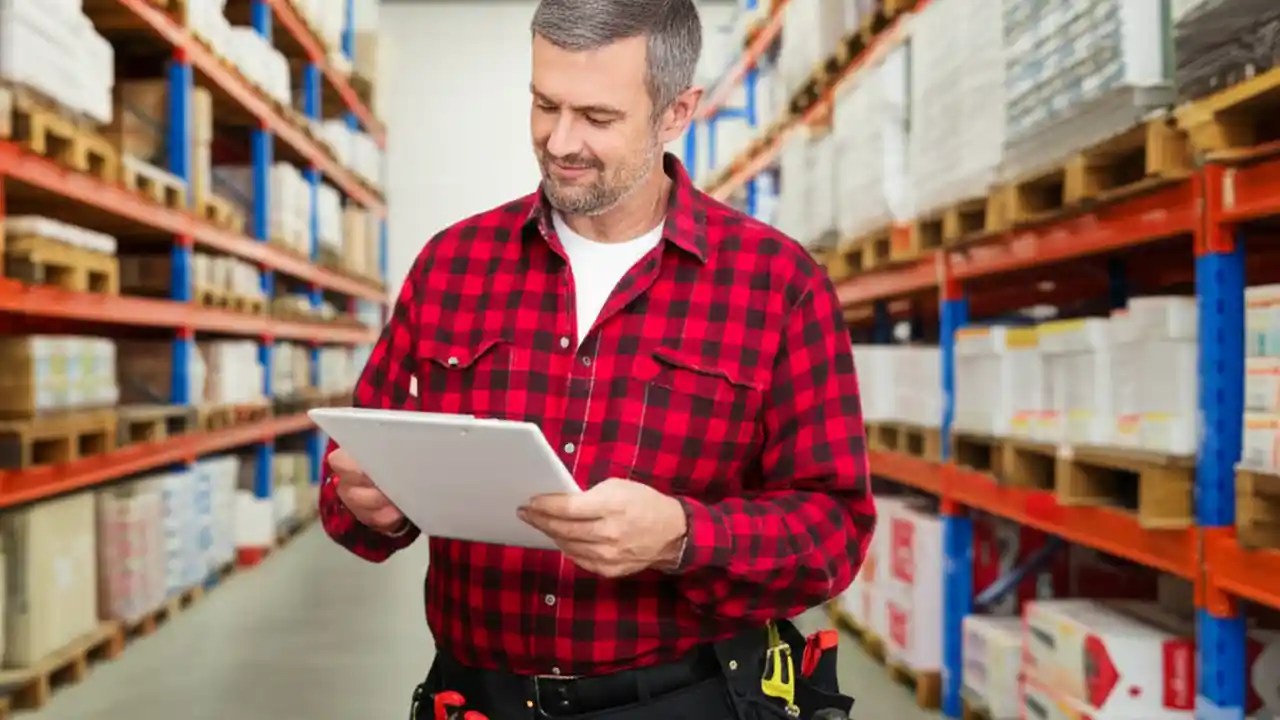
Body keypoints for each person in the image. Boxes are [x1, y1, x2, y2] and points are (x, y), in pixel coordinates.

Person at [319, 0, 875, 717]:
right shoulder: (452, 265)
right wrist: (373, 503)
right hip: (478, 697)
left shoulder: (776, 284)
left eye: (598, 117)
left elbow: (832, 530)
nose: (560, 140)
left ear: (677, 112)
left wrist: (681, 535)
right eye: (544, 105)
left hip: (684, 697)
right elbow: (349, 485)